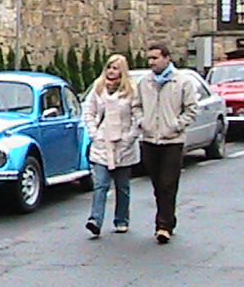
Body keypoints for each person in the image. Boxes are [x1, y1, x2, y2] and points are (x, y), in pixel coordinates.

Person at [133, 42, 198, 244]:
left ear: (167, 58)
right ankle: (168, 218)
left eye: (155, 58)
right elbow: (136, 106)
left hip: (172, 141)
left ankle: (164, 225)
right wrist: (142, 122)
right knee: (157, 184)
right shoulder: (145, 83)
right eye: (149, 58)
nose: (151, 62)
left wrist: (176, 125)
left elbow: (191, 109)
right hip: (150, 140)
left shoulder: (182, 82)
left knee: (168, 184)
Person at [83, 54, 140, 237]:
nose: (111, 71)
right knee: (100, 184)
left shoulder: (131, 91)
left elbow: (137, 117)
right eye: (109, 67)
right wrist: (95, 134)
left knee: (122, 186)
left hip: (123, 143)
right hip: (102, 143)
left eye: (115, 68)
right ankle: (95, 220)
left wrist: (129, 138)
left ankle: (121, 219)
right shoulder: (97, 89)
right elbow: (89, 113)